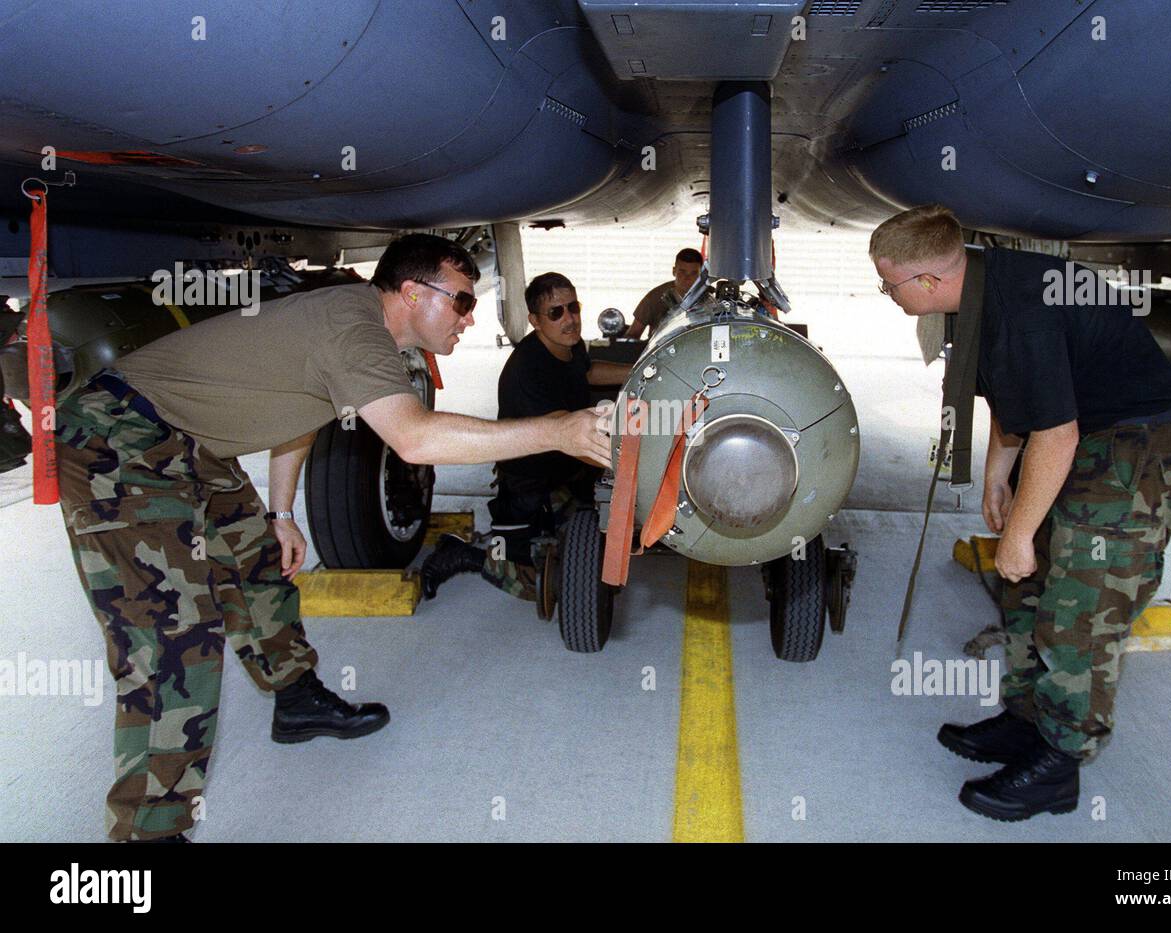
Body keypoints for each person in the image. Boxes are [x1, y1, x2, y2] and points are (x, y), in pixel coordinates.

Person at [54, 235, 610, 841]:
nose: (470, 316)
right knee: (171, 640)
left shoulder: (357, 326)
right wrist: (558, 431)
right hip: (122, 439)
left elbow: (303, 412)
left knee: (259, 564)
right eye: (461, 301)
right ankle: (147, 837)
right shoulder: (355, 327)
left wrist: (281, 512)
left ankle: (295, 698)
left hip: (193, 444)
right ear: (411, 292)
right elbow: (416, 440)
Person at [869, 204, 1171, 821]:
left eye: (890, 283)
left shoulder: (1021, 310)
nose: (887, 294)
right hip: (1079, 440)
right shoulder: (982, 293)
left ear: (931, 282)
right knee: (1026, 590)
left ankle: (1060, 763)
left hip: (1131, 449)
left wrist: (1020, 532)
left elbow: (1056, 431)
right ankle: (1028, 721)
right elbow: (1013, 399)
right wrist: (998, 481)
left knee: (1081, 606)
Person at [422, 272, 630, 601]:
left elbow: (587, 371)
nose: (570, 319)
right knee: (547, 585)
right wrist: (625, 470)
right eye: (556, 312)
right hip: (529, 485)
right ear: (535, 320)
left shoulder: (567, 344)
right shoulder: (529, 370)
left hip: (563, 473)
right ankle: (463, 554)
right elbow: (570, 437)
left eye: (572, 307)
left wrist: (637, 372)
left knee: (595, 547)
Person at [624, 248, 705, 339]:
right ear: (674, 271)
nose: (687, 278)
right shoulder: (655, 297)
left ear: (700, 274)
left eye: (693, 273)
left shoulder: (708, 297)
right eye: (682, 272)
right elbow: (633, 335)